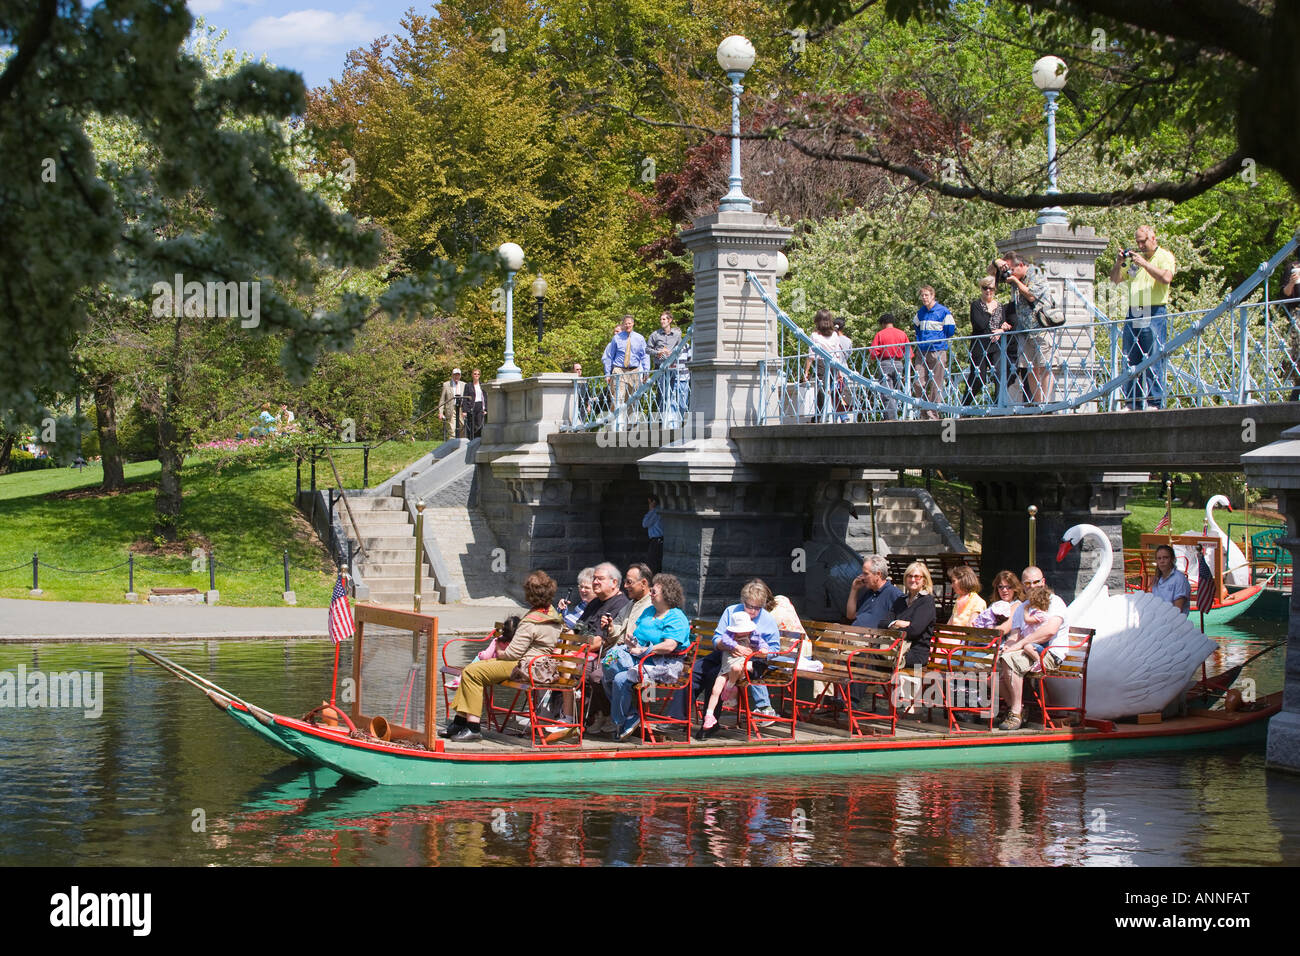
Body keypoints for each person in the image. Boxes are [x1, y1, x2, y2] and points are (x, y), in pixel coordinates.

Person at [441, 570, 562, 742]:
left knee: (472, 673)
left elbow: (513, 654)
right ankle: (459, 722)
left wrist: (499, 651)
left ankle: (473, 728)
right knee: (471, 669)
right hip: (535, 664)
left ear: (529, 595)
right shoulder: (551, 613)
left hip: (525, 666)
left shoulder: (531, 621)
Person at [666, 578, 782, 726]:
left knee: (715, 675)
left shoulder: (767, 620)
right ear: (742, 601)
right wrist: (732, 647)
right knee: (693, 671)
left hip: (749, 661)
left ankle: (709, 724)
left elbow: (774, 651)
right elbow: (717, 640)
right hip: (725, 653)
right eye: (749, 606)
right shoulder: (731, 611)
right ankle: (676, 718)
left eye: (757, 608)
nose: (753, 611)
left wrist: (757, 652)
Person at [602, 572, 692, 739]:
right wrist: (631, 642)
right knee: (607, 669)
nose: (650, 594)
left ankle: (622, 721)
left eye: (653, 592)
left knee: (620, 679)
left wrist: (644, 651)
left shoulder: (676, 617)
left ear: (666, 594)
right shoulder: (649, 611)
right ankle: (630, 716)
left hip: (663, 665)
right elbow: (638, 636)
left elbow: (670, 645)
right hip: (640, 658)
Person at [1109, 224, 1175, 410]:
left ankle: (1155, 402)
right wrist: (1118, 262)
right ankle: (1133, 403)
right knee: (1131, 359)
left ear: (1153, 238)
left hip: (1154, 311)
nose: (1140, 245)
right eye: (1137, 242)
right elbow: (1115, 280)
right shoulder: (1133, 263)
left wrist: (1145, 264)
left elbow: (1166, 278)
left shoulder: (1164, 256)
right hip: (1135, 311)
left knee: (1153, 356)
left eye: (1143, 241)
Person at [995, 566, 1068, 730]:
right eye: (1028, 583)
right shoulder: (1022, 608)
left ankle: (1015, 712)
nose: (1033, 586)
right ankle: (1018, 709)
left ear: (1043, 582)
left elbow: (1049, 631)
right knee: (993, 666)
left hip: (1050, 654)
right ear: (1023, 585)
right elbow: (1014, 635)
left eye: (1036, 582)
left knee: (1009, 660)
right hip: (1029, 653)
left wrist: (1020, 644)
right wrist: (1007, 646)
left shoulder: (1055, 602)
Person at [992, 252, 1055, 405]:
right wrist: (997, 262)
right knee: (1030, 367)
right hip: (1025, 331)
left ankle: (1045, 403)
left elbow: (1032, 295)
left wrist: (1015, 280)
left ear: (1020, 265)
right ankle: (1037, 403)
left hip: (1041, 328)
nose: (1009, 273)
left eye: (1011, 269)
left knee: (1044, 366)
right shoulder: (1016, 277)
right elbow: (992, 275)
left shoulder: (1036, 273)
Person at [576, 562, 630, 733]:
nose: (595, 582)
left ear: (614, 583)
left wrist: (573, 648)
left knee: (575, 668)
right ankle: (559, 712)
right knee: (552, 662)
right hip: (582, 650)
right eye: (594, 579)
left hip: (603, 655)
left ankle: (588, 715)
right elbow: (576, 629)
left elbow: (600, 641)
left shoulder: (619, 604)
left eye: (600, 579)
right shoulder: (594, 602)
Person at [699, 610, 767, 738]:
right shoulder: (730, 635)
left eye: (744, 629)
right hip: (725, 667)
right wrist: (736, 647)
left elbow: (762, 645)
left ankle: (729, 688)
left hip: (740, 667)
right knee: (715, 688)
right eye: (740, 630)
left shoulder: (753, 635)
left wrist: (763, 649)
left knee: (736, 668)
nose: (742, 632)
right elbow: (725, 640)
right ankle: (709, 715)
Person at [913, 286, 955, 420]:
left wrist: (938, 341)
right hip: (923, 351)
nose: (924, 298)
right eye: (922, 296)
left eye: (926, 295)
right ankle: (924, 411)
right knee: (918, 382)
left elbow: (950, 330)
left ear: (932, 296)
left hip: (938, 349)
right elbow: (917, 328)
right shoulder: (920, 312)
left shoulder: (943, 311)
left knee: (936, 383)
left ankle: (933, 414)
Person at [445, 616, 520, 690]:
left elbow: (486, 656)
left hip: (491, 668)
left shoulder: (497, 641)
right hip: (511, 671)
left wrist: (480, 655)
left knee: (476, 661)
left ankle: (459, 680)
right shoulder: (520, 644)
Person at [963, 276, 1004, 405]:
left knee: (1000, 373)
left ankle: (998, 406)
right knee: (978, 377)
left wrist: (1002, 330)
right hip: (979, 345)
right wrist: (989, 312)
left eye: (991, 288)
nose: (988, 291)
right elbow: (980, 324)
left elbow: (1002, 324)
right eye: (985, 288)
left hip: (996, 344)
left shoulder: (1000, 306)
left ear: (995, 289)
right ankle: (965, 405)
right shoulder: (976, 305)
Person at [602, 314, 649, 423]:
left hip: (634, 371)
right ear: (623, 325)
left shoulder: (639, 338)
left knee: (632, 399)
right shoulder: (617, 338)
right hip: (619, 369)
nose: (628, 325)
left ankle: (629, 424)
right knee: (618, 397)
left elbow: (645, 355)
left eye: (629, 323)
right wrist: (607, 373)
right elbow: (609, 356)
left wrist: (646, 372)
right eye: (626, 323)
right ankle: (616, 422)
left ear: (633, 324)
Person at [804, 308, 846, 422]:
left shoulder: (814, 335)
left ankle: (820, 416)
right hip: (832, 364)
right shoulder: (835, 335)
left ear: (818, 320)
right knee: (830, 390)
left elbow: (811, 355)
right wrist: (840, 372)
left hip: (821, 364)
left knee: (821, 390)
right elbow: (837, 354)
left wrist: (806, 371)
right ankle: (828, 415)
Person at [846, 554, 903, 628]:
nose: (862, 577)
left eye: (866, 574)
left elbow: (899, 623)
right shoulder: (869, 592)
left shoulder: (894, 594)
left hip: (870, 637)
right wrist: (854, 589)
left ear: (878, 574)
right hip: (854, 633)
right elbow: (850, 615)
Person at [870, 313, 908, 420]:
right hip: (899, 363)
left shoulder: (880, 334)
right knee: (897, 392)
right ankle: (895, 415)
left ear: (883, 323)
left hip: (885, 363)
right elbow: (908, 352)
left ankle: (891, 418)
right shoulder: (902, 334)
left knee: (886, 393)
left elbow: (873, 353)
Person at [648, 311, 682, 424]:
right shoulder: (655, 334)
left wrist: (671, 352)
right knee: (661, 393)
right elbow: (647, 349)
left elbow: (680, 350)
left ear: (669, 320)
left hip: (672, 367)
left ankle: (671, 420)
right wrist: (658, 352)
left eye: (664, 319)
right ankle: (660, 421)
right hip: (660, 367)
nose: (661, 321)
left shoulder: (677, 335)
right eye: (661, 319)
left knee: (672, 393)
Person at [1279, 259, 1300, 401]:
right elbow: (1284, 294)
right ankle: (1295, 394)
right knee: (1299, 355)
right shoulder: (1292, 267)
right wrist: (1292, 282)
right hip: (1297, 314)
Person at [1149, 543, 1191, 614]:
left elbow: (1178, 610)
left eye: (1165, 558)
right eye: (1159, 558)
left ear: (1172, 559)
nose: (1162, 561)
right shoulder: (1157, 579)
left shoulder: (1179, 579)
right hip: (1158, 619)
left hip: (1174, 621)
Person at [438, 368, 467, 439]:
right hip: (451, 409)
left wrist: (466, 410)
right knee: (451, 429)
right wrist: (440, 412)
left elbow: (466, 399)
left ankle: (461, 445)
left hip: (461, 409)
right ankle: (452, 446)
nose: (456, 377)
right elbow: (442, 400)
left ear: (460, 376)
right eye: (455, 375)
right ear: (452, 375)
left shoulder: (464, 385)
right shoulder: (446, 385)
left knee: (463, 427)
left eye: (458, 375)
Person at [643, 495, 663, 573]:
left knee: (652, 565)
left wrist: (651, 509)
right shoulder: (659, 510)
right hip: (658, 540)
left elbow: (645, 523)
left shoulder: (656, 511)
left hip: (657, 540)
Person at [465, 369, 487, 439]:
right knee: (471, 424)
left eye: (478, 374)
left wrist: (486, 409)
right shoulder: (468, 385)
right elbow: (465, 398)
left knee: (479, 424)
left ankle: (478, 440)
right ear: (472, 375)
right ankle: (471, 440)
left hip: (480, 406)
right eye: (475, 374)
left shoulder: (482, 385)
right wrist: (464, 411)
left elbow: (485, 397)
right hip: (471, 406)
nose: (476, 375)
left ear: (480, 375)